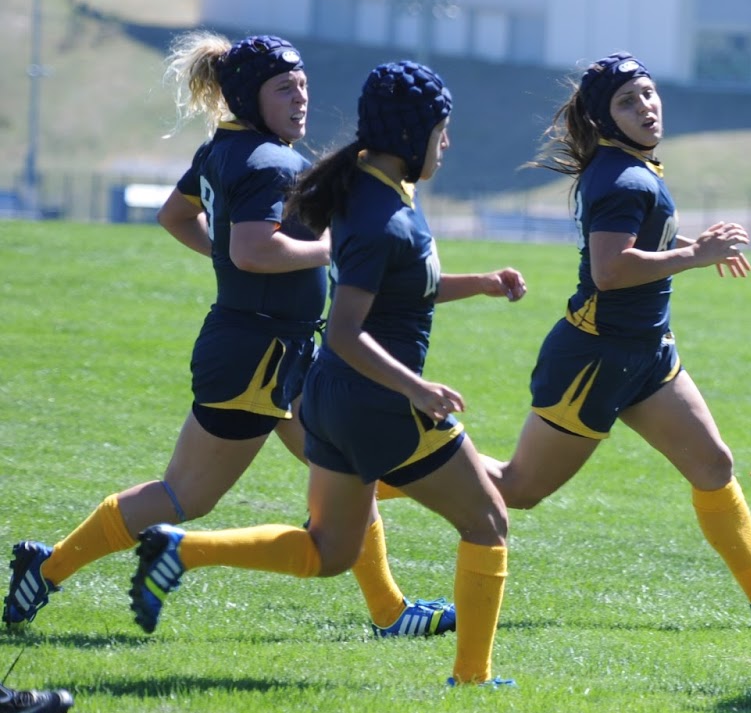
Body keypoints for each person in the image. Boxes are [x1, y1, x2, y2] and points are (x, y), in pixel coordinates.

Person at [5, 33, 452, 639]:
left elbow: (177, 217)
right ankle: (48, 567)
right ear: (248, 96)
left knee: (347, 475)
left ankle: (390, 612)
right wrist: (330, 248)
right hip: (258, 357)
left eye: (301, 84)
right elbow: (252, 249)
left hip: (275, 350)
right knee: (183, 496)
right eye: (283, 89)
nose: (300, 97)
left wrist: (235, 262)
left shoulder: (228, 147)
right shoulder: (270, 162)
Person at [129, 61, 524, 687]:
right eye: (440, 131)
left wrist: (478, 284)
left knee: (329, 552)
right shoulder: (381, 215)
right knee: (488, 521)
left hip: (337, 399)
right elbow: (346, 330)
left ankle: (182, 549)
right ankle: (472, 680)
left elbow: (398, 289)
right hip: (378, 402)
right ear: (411, 134)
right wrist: (416, 388)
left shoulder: (370, 192)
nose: (445, 144)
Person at [486, 53, 751, 627]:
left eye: (649, 93)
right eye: (628, 101)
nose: (646, 106)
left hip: (647, 352)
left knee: (713, 464)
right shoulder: (623, 177)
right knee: (520, 488)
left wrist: (692, 246)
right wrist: (696, 255)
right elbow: (610, 270)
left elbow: (638, 249)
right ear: (604, 118)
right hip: (595, 359)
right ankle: (385, 473)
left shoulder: (633, 167)